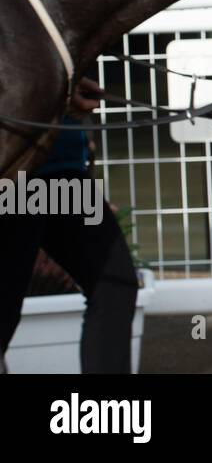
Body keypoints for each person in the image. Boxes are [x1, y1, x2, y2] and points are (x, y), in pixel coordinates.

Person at [0, 77, 139, 374]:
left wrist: (64, 88)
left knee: (114, 284)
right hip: (11, 177)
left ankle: (106, 416)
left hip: (62, 169)